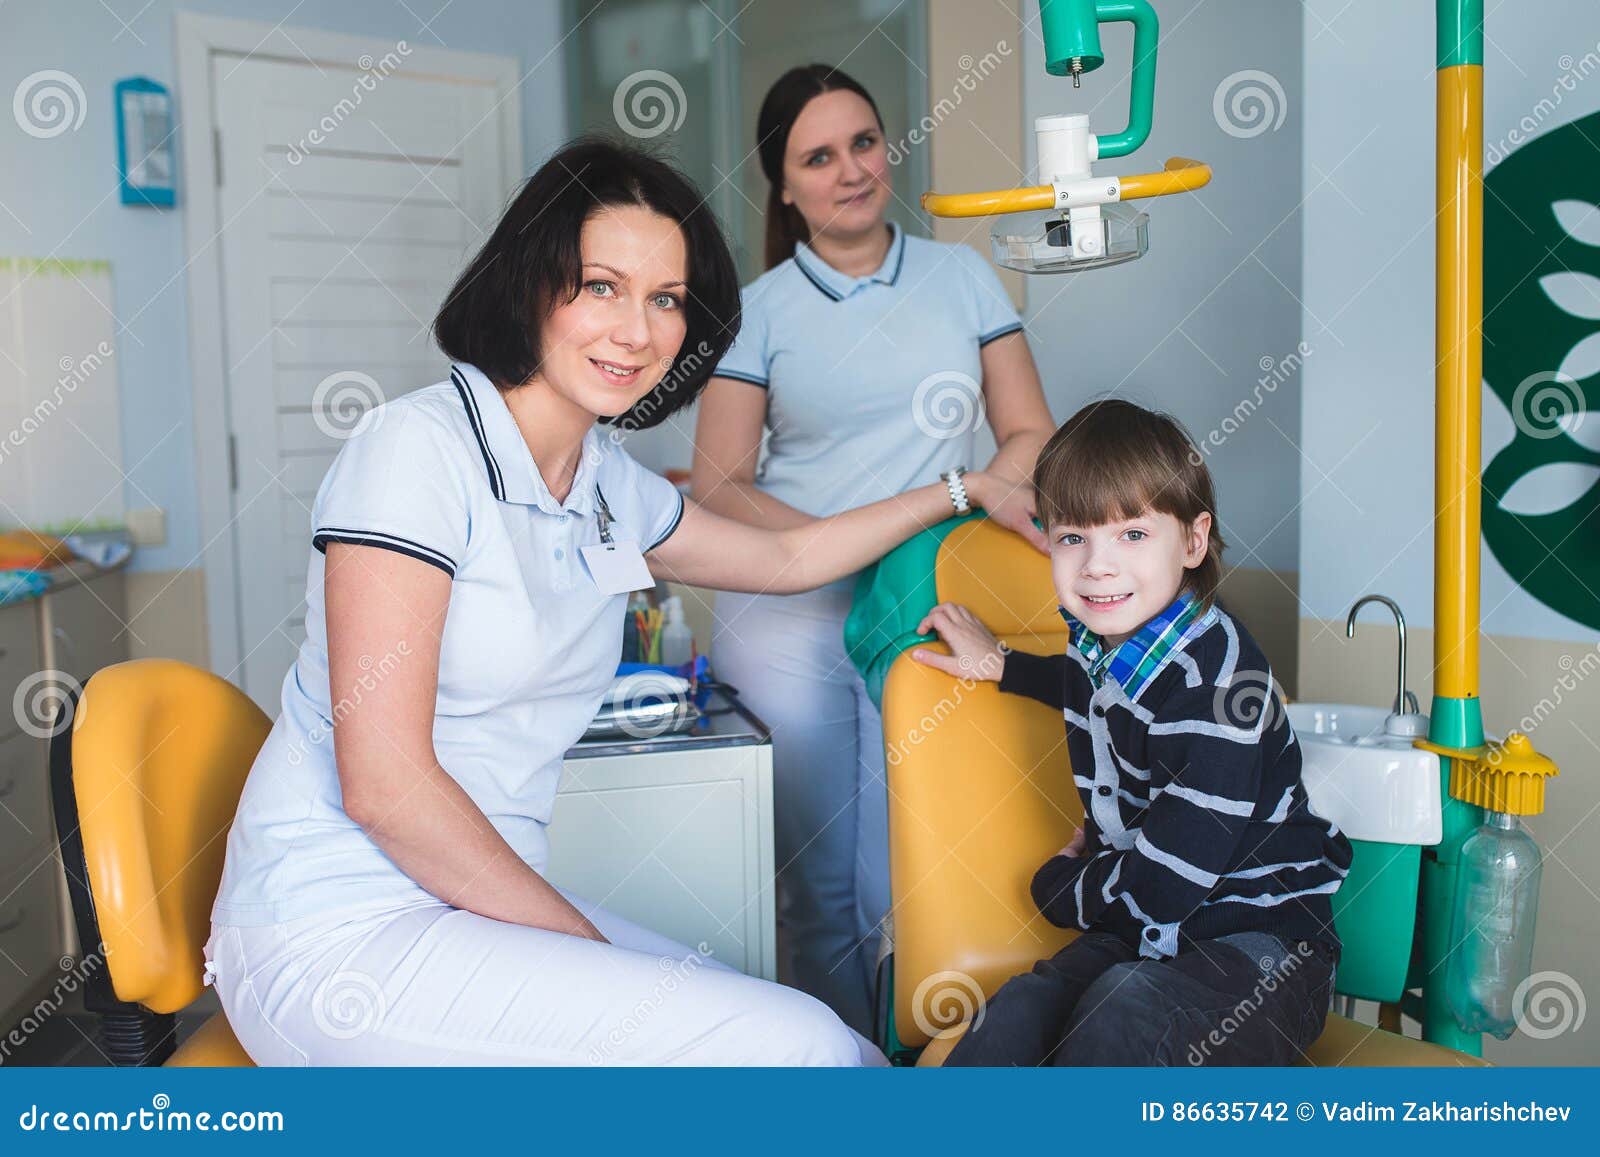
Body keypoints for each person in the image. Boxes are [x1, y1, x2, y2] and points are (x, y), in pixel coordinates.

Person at [204, 138, 1012, 1067]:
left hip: (469, 907)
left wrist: (966, 488)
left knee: (836, 1047)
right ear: (531, 285)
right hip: (337, 928)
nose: (637, 330)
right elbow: (385, 788)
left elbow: (788, 555)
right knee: (795, 1055)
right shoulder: (415, 452)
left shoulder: (602, 481)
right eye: (601, 285)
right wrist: (588, 965)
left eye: (665, 298)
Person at [691, 64, 1055, 1035]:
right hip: (787, 613)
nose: (850, 169)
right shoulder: (755, 307)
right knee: (815, 886)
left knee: (909, 868)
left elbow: (1025, 431)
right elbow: (720, 481)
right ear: (784, 185)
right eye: (818, 155)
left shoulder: (961, 276)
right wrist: (817, 546)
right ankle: (837, 1089)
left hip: (915, 601)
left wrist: (983, 504)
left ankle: (904, 1068)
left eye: (863, 142)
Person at [911, 400, 1352, 1065]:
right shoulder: (1106, 638)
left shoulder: (1219, 689)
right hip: (1150, 931)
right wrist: (1002, 665)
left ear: (1193, 540)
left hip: (1261, 946)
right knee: (1018, 1012)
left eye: (1133, 535)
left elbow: (1161, 885)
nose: (1097, 564)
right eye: (1072, 537)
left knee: (1124, 1010)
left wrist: (1059, 887)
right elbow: (1098, 690)